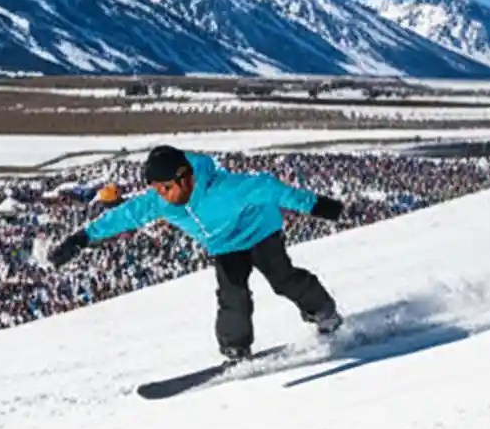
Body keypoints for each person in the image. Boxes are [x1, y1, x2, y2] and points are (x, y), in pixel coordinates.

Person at [48, 145, 345, 364]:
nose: (161, 195)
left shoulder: (225, 188)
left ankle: (324, 311)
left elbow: (271, 188)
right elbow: (124, 215)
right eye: (156, 189)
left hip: (259, 230)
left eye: (165, 188)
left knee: (283, 279)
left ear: (185, 177)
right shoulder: (160, 202)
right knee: (232, 295)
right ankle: (235, 349)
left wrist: (320, 206)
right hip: (225, 246)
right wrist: (82, 238)